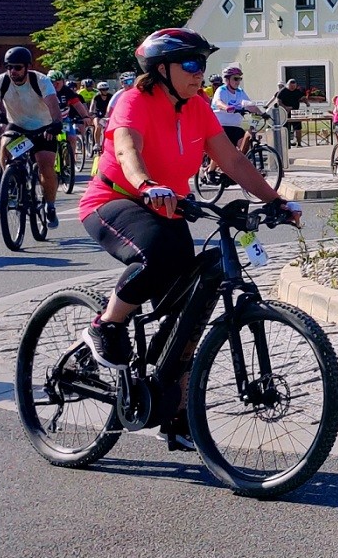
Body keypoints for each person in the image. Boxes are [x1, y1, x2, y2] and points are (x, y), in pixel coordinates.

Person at [77, 30, 298, 442]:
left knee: (192, 304)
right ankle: (106, 325)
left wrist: (277, 201)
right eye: (192, 65)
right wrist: (145, 184)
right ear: (161, 70)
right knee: (158, 255)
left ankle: (175, 413)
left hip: (169, 205)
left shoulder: (197, 107)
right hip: (117, 198)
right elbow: (127, 149)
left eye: (204, 65)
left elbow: (231, 158)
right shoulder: (134, 101)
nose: (202, 74)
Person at [0, 47, 68, 225]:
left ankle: (50, 206)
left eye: (17, 67)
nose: (13, 71)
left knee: (45, 167)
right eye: (9, 67)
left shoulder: (41, 81)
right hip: (18, 126)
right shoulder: (0, 82)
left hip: (44, 127)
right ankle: (11, 184)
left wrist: (56, 124)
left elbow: (53, 106)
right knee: (4, 144)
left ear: (27, 67)